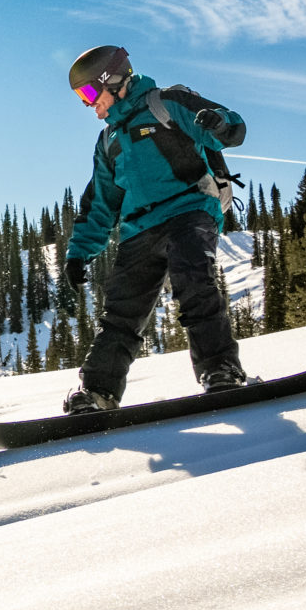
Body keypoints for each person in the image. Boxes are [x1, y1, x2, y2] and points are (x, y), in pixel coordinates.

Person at [60, 45, 250, 413]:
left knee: (194, 282)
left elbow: (231, 126)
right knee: (121, 313)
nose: (87, 105)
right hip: (139, 229)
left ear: (112, 82)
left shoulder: (168, 103)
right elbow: (101, 201)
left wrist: (219, 124)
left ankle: (221, 370)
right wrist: (80, 252)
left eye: (87, 93)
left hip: (189, 209)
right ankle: (99, 392)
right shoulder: (109, 141)